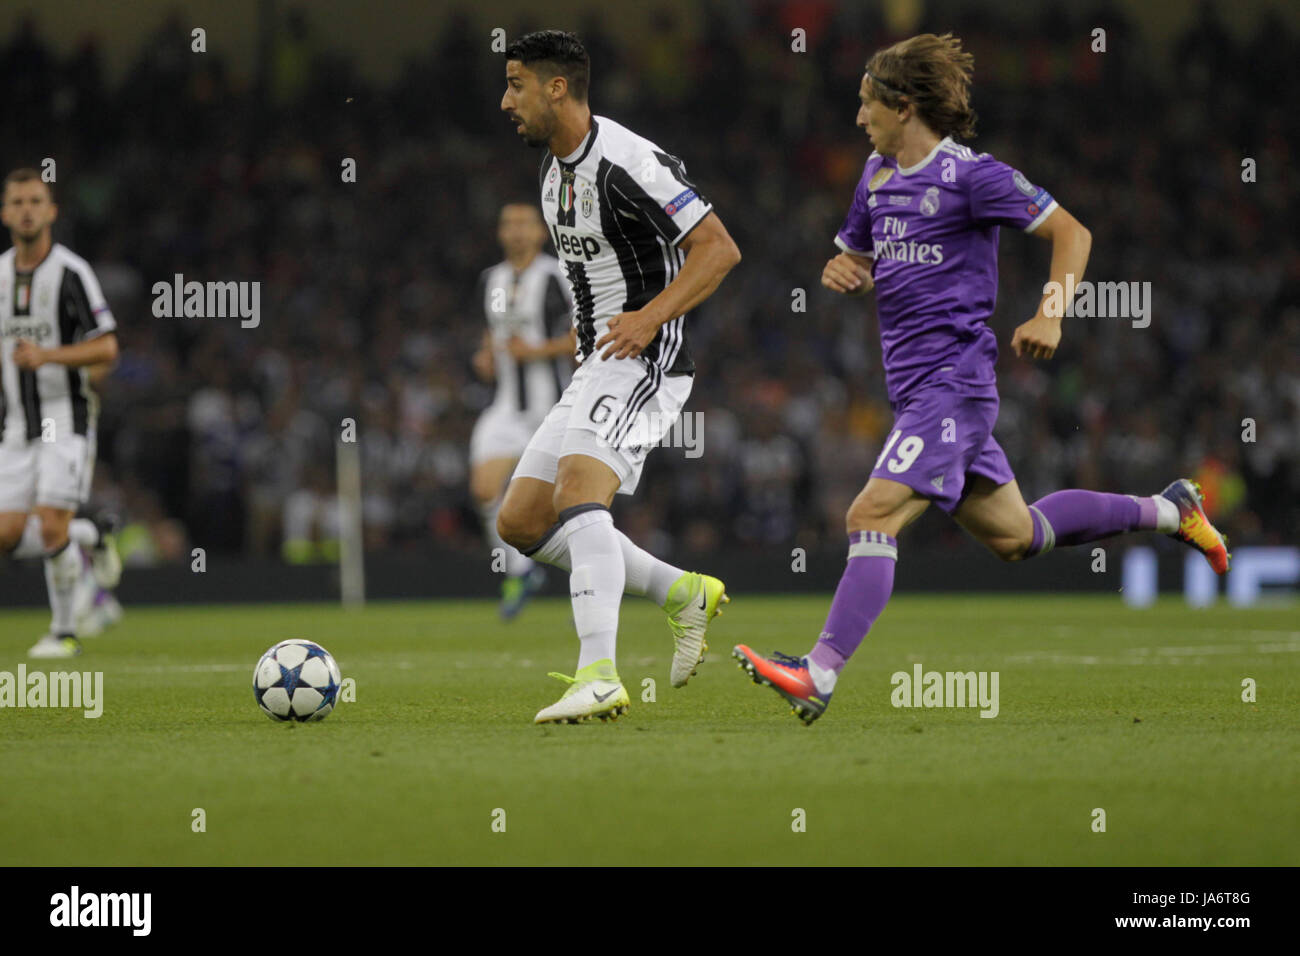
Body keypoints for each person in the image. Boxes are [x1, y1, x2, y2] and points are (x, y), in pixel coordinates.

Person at [733, 34, 1230, 724]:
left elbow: (1073, 235)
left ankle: (818, 672)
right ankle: (1173, 510)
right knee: (1017, 537)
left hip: (955, 387)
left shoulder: (974, 176)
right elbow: (854, 258)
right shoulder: (875, 177)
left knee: (869, 515)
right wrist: (841, 270)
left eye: (866, 104)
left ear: (903, 106)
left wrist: (1050, 316)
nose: (858, 118)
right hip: (915, 392)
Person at [496, 30, 742, 723]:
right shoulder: (552, 173)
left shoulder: (629, 161)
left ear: (556, 87)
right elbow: (592, 283)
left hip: (644, 359)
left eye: (516, 84)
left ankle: (599, 673)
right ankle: (682, 593)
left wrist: (649, 319)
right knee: (519, 521)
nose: (505, 100)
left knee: (580, 495)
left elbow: (719, 249)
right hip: (595, 366)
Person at [0, 168, 121, 658]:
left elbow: (108, 348)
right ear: (6, 213)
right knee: (7, 534)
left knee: (50, 524)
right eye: (17, 202)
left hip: (65, 418)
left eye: (36, 200)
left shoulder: (71, 273)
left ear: (51, 211)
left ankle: (64, 631)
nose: (27, 209)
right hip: (13, 426)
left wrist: (48, 355)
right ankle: (92, 534)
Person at [469, 202, 575, 619]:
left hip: (554, 405)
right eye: (507, 223)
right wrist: (484, 356)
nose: (515, 231)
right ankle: (521, 571)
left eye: (524, 224)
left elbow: (584, 335)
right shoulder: (489, 280)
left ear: (541, 232)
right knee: (483, 489)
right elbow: (490, 333)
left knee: (566, 504)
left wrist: (537, 352)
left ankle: (596, 578)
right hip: (507, 407)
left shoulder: (558, 276)